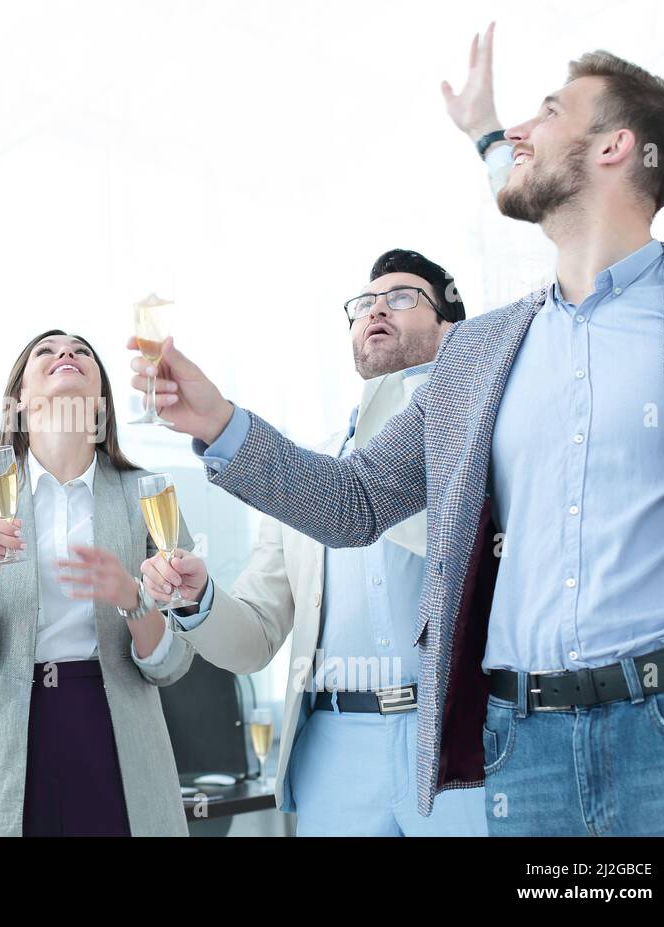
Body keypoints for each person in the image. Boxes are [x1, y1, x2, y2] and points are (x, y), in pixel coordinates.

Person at [129, 48, 664, 836]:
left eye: (549, 112)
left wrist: (485, 133)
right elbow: (354, 500)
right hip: (522, 742)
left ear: (614, 147)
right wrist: (220, 422)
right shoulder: (481, 355)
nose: (523, 132)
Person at [144, 249, 486, 836]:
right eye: (365, 304)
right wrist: (198, 600)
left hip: (458, 738)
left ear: (449, 326)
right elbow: (254, 637)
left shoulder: (478, 435)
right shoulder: (307, 475)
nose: (378, 310)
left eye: (403, 298)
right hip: (335, 750)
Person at [0, 329, 194, 836]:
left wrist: (132, 600)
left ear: (100, 402)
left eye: (81, 352)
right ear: (21, 400)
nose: (66, 354)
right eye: (45, 352)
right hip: (5, 738)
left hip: (113, 732)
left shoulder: (149, 495)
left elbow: (173, 663)